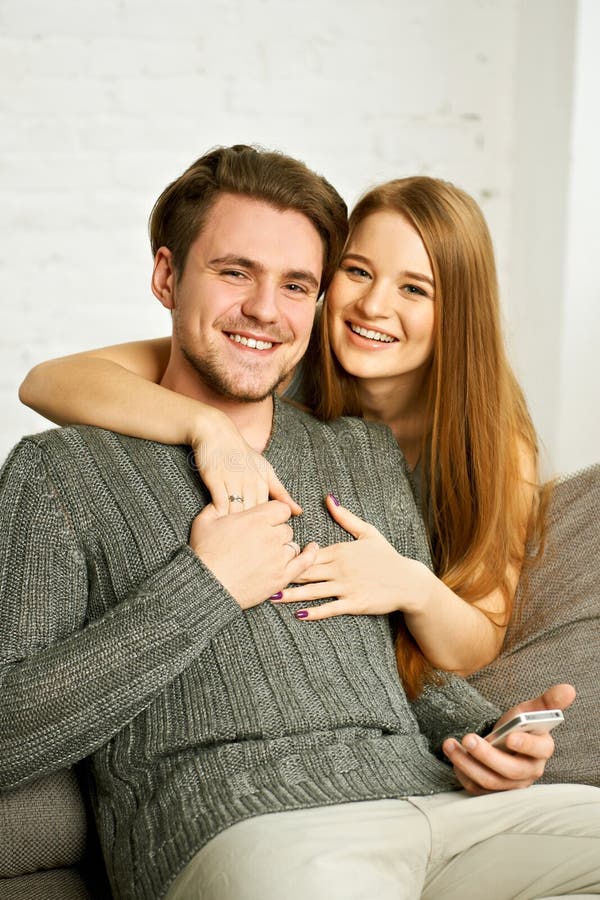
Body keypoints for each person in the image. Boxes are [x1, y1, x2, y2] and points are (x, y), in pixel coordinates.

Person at [3, 144, 599, 900]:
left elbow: (399, 677)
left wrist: (483, 737)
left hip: (443, 809)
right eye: (234, 272)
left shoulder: (359, 450)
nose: (264, 309)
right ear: (166, 277)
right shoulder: (61, 473)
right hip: (259, 829)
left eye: (295, 284)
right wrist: (207, 585)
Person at [20, 175, 541, 697]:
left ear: (457, 311)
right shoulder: (273, 358)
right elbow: (48, 382)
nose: (373, 306)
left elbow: (480, 636)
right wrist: (210, 426)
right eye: (357, 272)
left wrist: (410, 586)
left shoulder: (494, 439)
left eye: (414, 288)